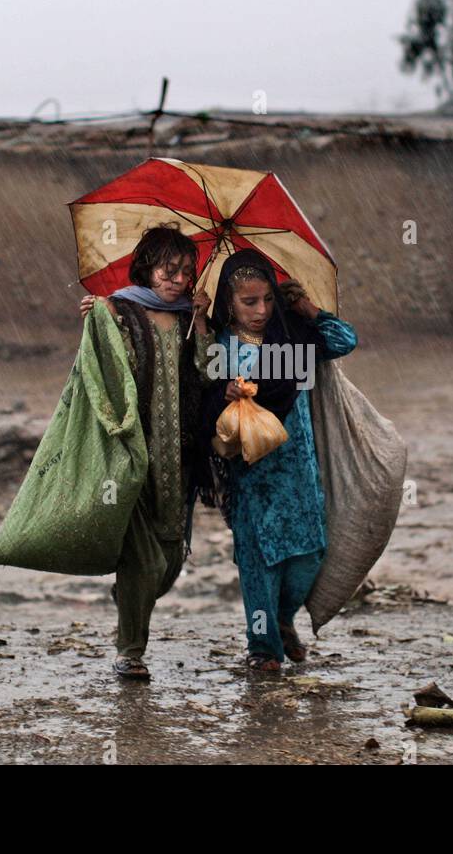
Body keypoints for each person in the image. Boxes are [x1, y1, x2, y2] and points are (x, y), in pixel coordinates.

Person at [198, 248, 357, 671]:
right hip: (251, 472)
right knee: (259, 560)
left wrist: (308, 309)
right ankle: (263, 647)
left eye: (268, 299)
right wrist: (224, 392)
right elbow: (200, 399)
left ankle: (284, 620)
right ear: (229, 302)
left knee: (308, 554)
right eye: (249, 302)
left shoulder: (293, 334)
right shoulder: (219, 345)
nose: (261, 310)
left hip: (298, 465)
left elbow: (345, 340)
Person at [79, 224, 213, 680]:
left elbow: (208, 373)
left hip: (180, 460)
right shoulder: (122, 310)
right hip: (134, 455)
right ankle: (130, 652)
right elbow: (105, 370)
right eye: (168, 270)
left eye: (186, 272)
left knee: (170, 561)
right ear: (147, 268)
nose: (177, 279)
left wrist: (203, 323)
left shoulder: (189, 318)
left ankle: (129, 597)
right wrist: (98, 319)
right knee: (144, 559)